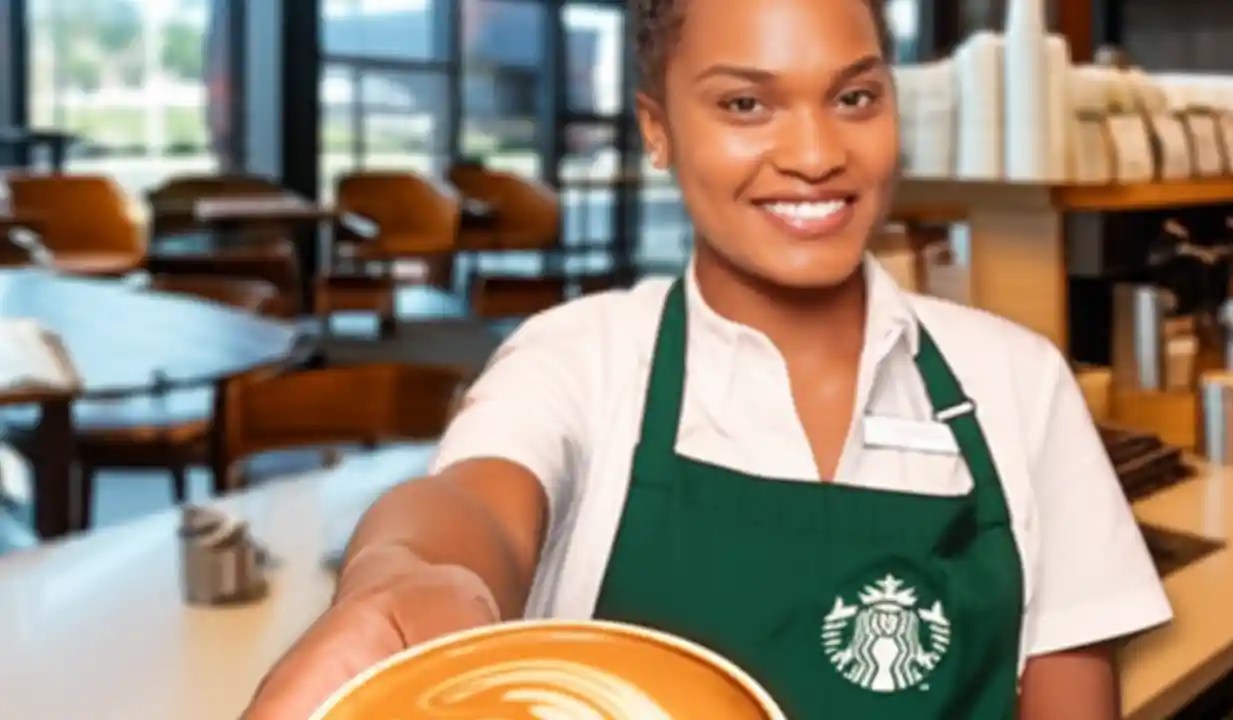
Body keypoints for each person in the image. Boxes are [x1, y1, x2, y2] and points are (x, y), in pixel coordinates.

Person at [245, 0, 1172, 717]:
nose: (816, 154)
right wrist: (405, 577)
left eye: (855, 96)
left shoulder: (1017, 382)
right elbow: (473, 503)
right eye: (745, 103)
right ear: (657, 128)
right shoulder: (585, 358)